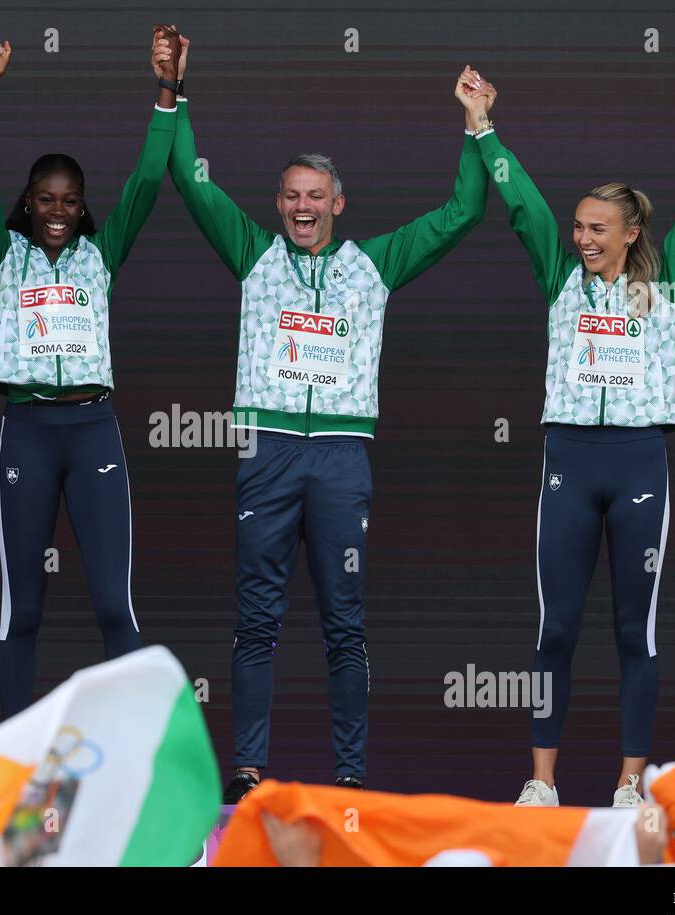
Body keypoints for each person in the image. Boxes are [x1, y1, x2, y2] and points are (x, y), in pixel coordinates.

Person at [166, 37, 491, 801]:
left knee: (344, 624)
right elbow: (188, 177)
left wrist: (476, 127)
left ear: (337, 204)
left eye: (316, 196)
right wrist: (173, 90)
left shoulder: (374, 264)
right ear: (277, 205)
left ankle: (349, 775)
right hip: (269, 452)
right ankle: (247, 770)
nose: (303, 207)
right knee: (256, 623)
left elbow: (464, 211)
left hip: (342, 458)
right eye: (291, 197)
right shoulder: (252, 254)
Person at [465, 72, 675, 807]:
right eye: (578, 228)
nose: (582, 238)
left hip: (640, 461)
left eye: (598, 229)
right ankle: (541, 784)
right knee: (557, 627)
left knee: (638, 631)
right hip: (569, 459)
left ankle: (631, 786)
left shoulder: (665, 279)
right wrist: (481, 125)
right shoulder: (558, 273)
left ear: (632, 233)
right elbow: (521, 199)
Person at [0, 27, 182, 718]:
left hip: (94, 431)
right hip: (27, 428)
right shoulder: (2, 256)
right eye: (45, 200)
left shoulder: (101, 255)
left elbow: (149, 179)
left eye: (69, 201)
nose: (58, 212)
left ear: (82, 206)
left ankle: (134, 755)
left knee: (114, 604)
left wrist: (167, 88)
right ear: (27, 202)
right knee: (21, 607)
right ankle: (10, 766)